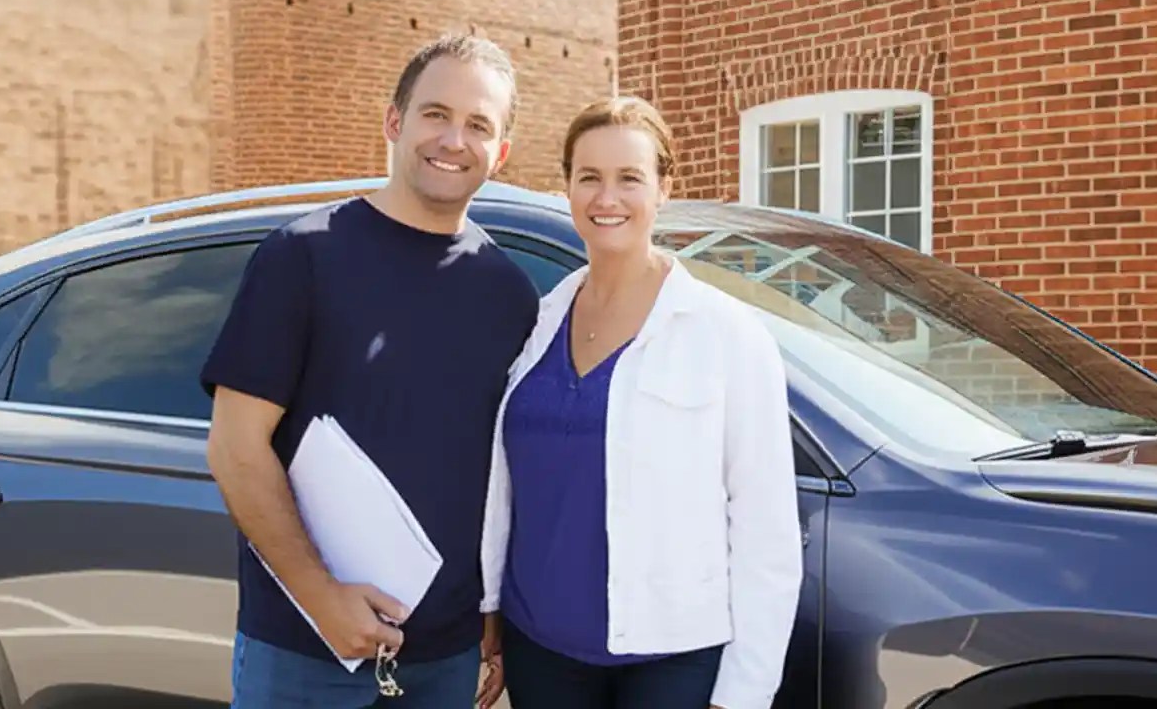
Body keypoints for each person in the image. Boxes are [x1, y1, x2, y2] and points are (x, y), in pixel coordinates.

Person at [201, 34, 533, 709]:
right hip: (303, 650)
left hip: (442, 657)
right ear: (394, 121)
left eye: (478, 126)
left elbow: (498, 472)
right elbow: (235, 448)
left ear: (499, 154)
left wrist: (491, 618)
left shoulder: (509, 294)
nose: (453, 139)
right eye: (435, 114)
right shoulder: (302, 257)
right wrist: (320, 599)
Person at [478, 96, 803, 709]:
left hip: (672, 663)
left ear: (663, 188)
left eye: (629, 178)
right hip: (539, 649)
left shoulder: (723, 332)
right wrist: (491, 608)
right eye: (589, 178)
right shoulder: (540, 321)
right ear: (567, 188)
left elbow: (766, 533)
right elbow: (512, 491)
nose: (607, 198)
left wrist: (743, 695)